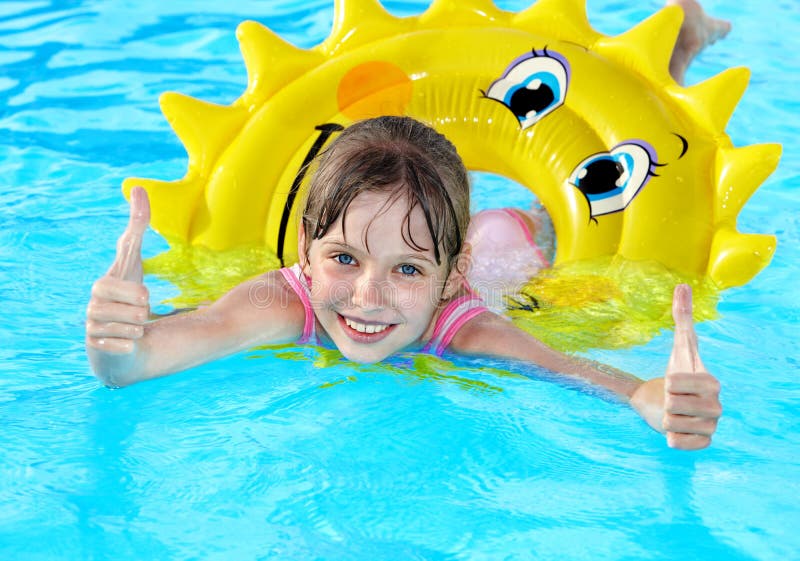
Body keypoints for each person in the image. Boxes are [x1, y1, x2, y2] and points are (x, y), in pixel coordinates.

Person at [86, 2, 728, 451]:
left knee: (558, 222)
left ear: (451, 279)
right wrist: (117, 346)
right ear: (306, 250)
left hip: (511, 254)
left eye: (409, 269)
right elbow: (153, 356)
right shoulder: (284, 299)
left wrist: (649, 397)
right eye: (343, 258)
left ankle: (679, 42)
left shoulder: (472, 327)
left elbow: (572, 367)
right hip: (450, 237)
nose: (367, 297)